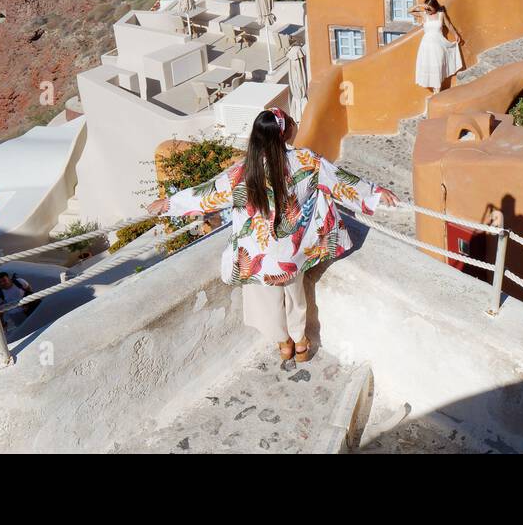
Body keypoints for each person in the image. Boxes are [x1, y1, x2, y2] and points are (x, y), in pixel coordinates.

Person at [147, 109, 396, 364]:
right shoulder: (306, 161)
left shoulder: (243, 172)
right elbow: (340, 181)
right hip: (292, 251)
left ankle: (283, 344)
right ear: (285, 133)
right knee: (295, 297)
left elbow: (207, 195)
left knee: (266, 304)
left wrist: (170, 204)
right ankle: (300, 343)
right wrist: (375, 193)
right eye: (291, 122)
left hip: (260, 254)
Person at [413, 0, 463, 93]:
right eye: (426, 8)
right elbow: (410, 11)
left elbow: (449, 25)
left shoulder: (441, 15)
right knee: (429, 66)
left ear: (435, 7)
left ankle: (437, 90)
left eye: (429, 8)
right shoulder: (424, 15)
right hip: (426, 46)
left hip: (439, 45)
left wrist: (456, 34)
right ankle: (436, 92)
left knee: (438, 66)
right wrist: (420, 6)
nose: (427, 10)